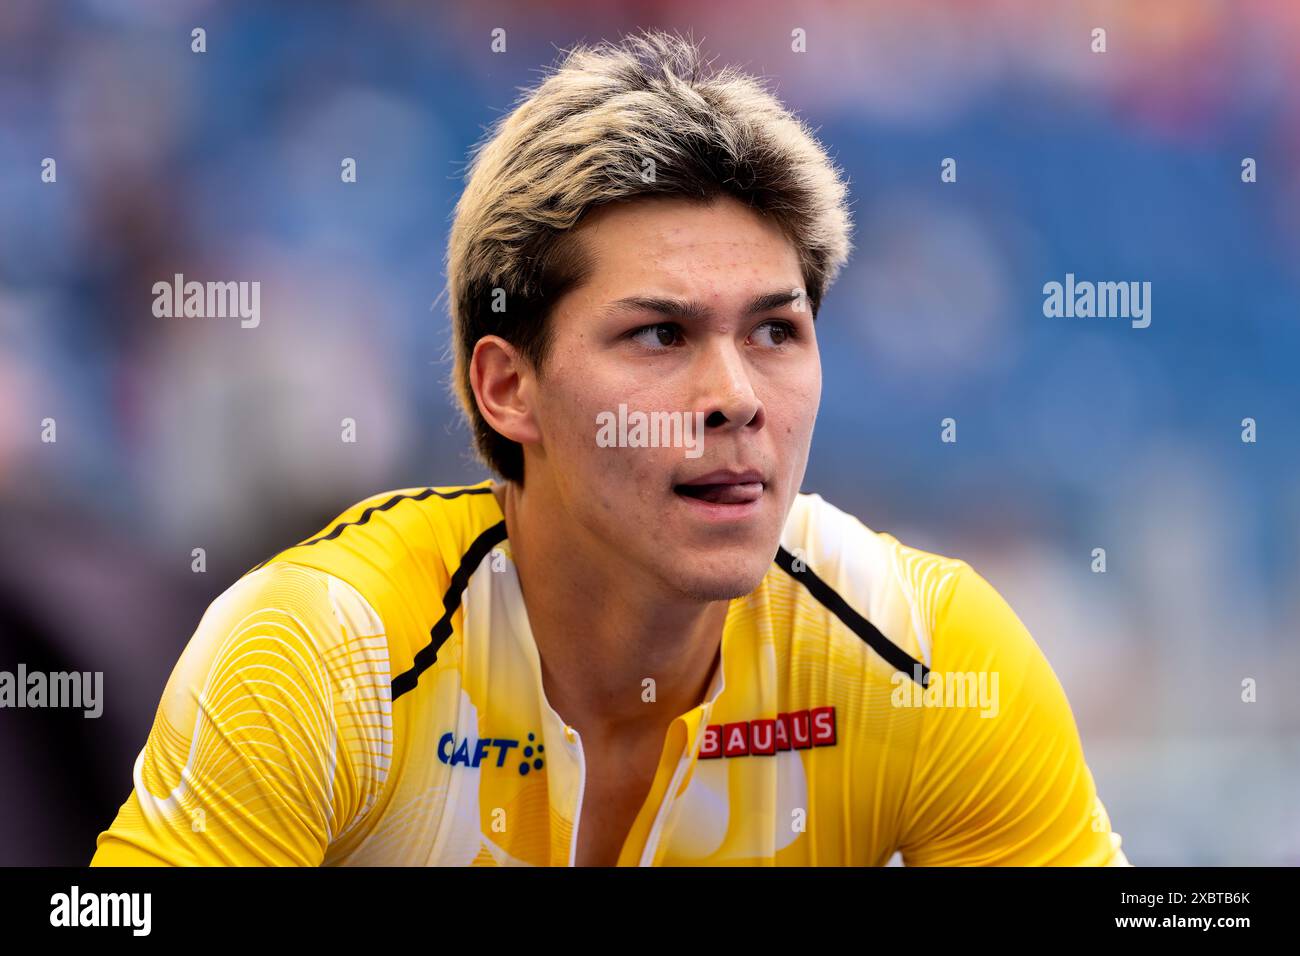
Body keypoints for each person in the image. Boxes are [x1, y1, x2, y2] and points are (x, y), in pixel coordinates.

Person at [91, 31, 1128, 867]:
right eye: (658, 334)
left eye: (775, 330)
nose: (735, 398)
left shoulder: (930, 654)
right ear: (508, 388)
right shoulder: (323, 654)